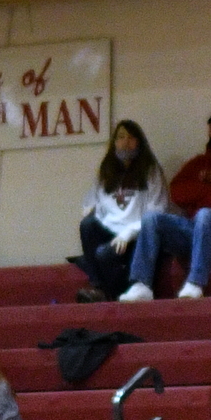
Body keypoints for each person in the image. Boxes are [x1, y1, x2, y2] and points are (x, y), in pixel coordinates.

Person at [121, 109, 211, 301]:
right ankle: (141, 284)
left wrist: (198, 194)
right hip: (198, 228)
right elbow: (177, 191)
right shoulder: (198, 163)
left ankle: (196, 282)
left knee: (206, 214)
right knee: (152, 219)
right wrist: (210, 191)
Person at [73, 121, 167, 302]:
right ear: (114, 142)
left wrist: (128, 233)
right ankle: (97, 287)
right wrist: (90, 210)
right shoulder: (106, 171)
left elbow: (157, 210)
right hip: (111, 229)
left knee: (103, 254)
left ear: (139, 142)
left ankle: (111, 295)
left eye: (131, 138)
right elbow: (94, 204)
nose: (125, 142)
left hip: (136, 234)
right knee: (87, 225)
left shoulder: (151, 170)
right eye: (121, 137)